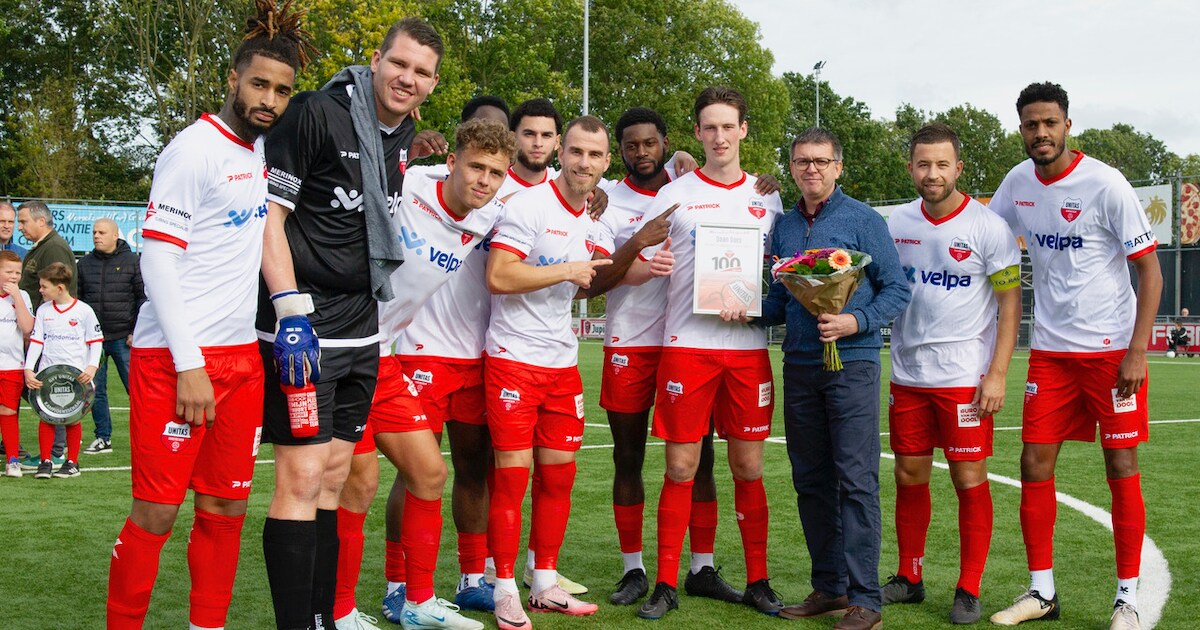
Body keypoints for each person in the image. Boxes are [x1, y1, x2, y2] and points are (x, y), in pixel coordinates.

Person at [104, 4, 307, 626]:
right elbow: (158, 264)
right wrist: (189, 365)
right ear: (232, 79)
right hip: (175, 359)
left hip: (241, 359)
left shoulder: (263, 152)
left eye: (281, 90)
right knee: (157, 512)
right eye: (259, 84)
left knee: (224, 510)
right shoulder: (193, 151)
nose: (269, 99)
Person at [256, 17, 441, 630]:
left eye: (420, 72)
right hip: (303, 327)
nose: (406, 79)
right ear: (376, 59)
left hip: (364, 328)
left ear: (432, 85)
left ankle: (320, 618)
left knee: (333, 478)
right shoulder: (314, 113)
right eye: (399, 64)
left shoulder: (403, 134)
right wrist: (287, 313)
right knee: (302, 478)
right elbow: (270, 221)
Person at [987, 82, 1162, 630]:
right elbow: (985, 234)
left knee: (1120, 465)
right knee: (1033, 462)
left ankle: (1127, 598)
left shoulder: (1106, 184)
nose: (1041, 133)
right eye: (1031, 124)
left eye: (1050, 123)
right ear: (1021, 129)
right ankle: (1042, 592)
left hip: (1111, 355)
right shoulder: (1016, 184)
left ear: (1067, 125)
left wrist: (1137, 352)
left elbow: (1150, 271)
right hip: (1051, 354)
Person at [332, 118, 514, 630]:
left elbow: (552, 198)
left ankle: (418, 602)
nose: (483, 180)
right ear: (452, 163)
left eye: (495, 173)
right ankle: (340, 608)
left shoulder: (491, 214)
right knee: (359, 483)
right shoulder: (409, 183)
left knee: (430, 473)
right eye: (475, 167)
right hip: (341, 347)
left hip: (381, 355)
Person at [582, 106, 752, 607]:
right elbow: (594, 282)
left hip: (691, 340)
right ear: (620, 151)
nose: (641, 152)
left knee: (700, 462)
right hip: (631, 341)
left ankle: (701, 567)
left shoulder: (687, 188)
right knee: (628, 456)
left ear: (666, 143)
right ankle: (634, 569)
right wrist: (636, 250)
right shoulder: (605, 201)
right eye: (631, 145)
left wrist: (760, 182)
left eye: (649, 143)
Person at [484, 115, 646, 629]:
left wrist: (637, 251)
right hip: (512, 358)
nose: (584, 163)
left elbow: (592, 284)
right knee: (511, 480)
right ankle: (504, 589)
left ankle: (544, 583)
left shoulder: (595, 223)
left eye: (595, 156)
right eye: (576, 151)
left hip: (562, 364)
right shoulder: (526, 206)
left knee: (558, 479)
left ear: (605, 163)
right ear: (560, 152)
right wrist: (568, 270)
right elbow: (498, 275)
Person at [634, 86, 784, 621]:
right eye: (710, 128)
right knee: (680, 466)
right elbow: (639, 258)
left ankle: (759, 580)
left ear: (744, 130)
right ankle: (668, 583)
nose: (720, 137)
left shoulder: (769, 198)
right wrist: (647, 265)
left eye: (729, 127)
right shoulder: (674, 193)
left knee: (748, 467)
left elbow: (781, 272)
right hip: (686, 347)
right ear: (697, 133)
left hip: (746, 350)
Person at [758, 127, 910, 630]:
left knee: (857, 480)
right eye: (802, 161)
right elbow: (782, 301)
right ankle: (829, 587)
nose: (811, 170)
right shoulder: (781, 226)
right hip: (800, 364)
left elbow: (897, 290)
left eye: (821, 161)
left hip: (854, 365)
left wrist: (854, 322)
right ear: (793, 166)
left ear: (838, 167)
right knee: (810, 481)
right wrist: (739, 308)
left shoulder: (863, 220)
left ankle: (866, 598)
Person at [881, 123, 1021, 624]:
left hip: (964, 376)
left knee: (967, 477)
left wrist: (998, 373)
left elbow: (1010, 305)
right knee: (908, 473)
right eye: (923, 163)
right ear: (911, 167)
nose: (932, 173)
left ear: (959, 168)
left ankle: (968, 585)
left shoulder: (988, 228)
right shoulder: (896, 222)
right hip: (907, 374)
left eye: (942, 164)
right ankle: (909, 576)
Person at [25, 262, 102, 479]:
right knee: (46, 415)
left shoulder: (84, 311)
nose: (40, 290)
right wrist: (29, 369)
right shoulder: (43, 310)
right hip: (48, 375)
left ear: (60, 288)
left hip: (76, 376)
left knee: (72, 418)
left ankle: (72, 462)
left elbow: (96, 341)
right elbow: (37, 341)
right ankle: (46, 461)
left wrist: (92, 366)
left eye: (44, 286)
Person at [77, 217, 145, 455]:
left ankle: (146, 437)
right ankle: (103, 437)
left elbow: (142, 299)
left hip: (123, 338)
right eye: (94, 232)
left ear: (116, 235)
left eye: (102, 232)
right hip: (95, 341)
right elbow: (79, 301)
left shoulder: (132, 262)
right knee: (97, 390)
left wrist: (135, 330)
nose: (97, 236)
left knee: (136, 389)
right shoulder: (84, 264)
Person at [0, 250, 33, 477]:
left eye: (17, 272)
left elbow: (27, 328)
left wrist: (18, 298)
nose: (13, 276)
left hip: (12, 364)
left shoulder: (23, 296)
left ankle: (12, 460)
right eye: (8, 272)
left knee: (9, 410)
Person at [17, 201, 76, 310]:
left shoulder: (54, 248)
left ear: (41, 221)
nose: (19, 227)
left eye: (23, 222)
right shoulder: (43, 246)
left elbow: (57, 293)